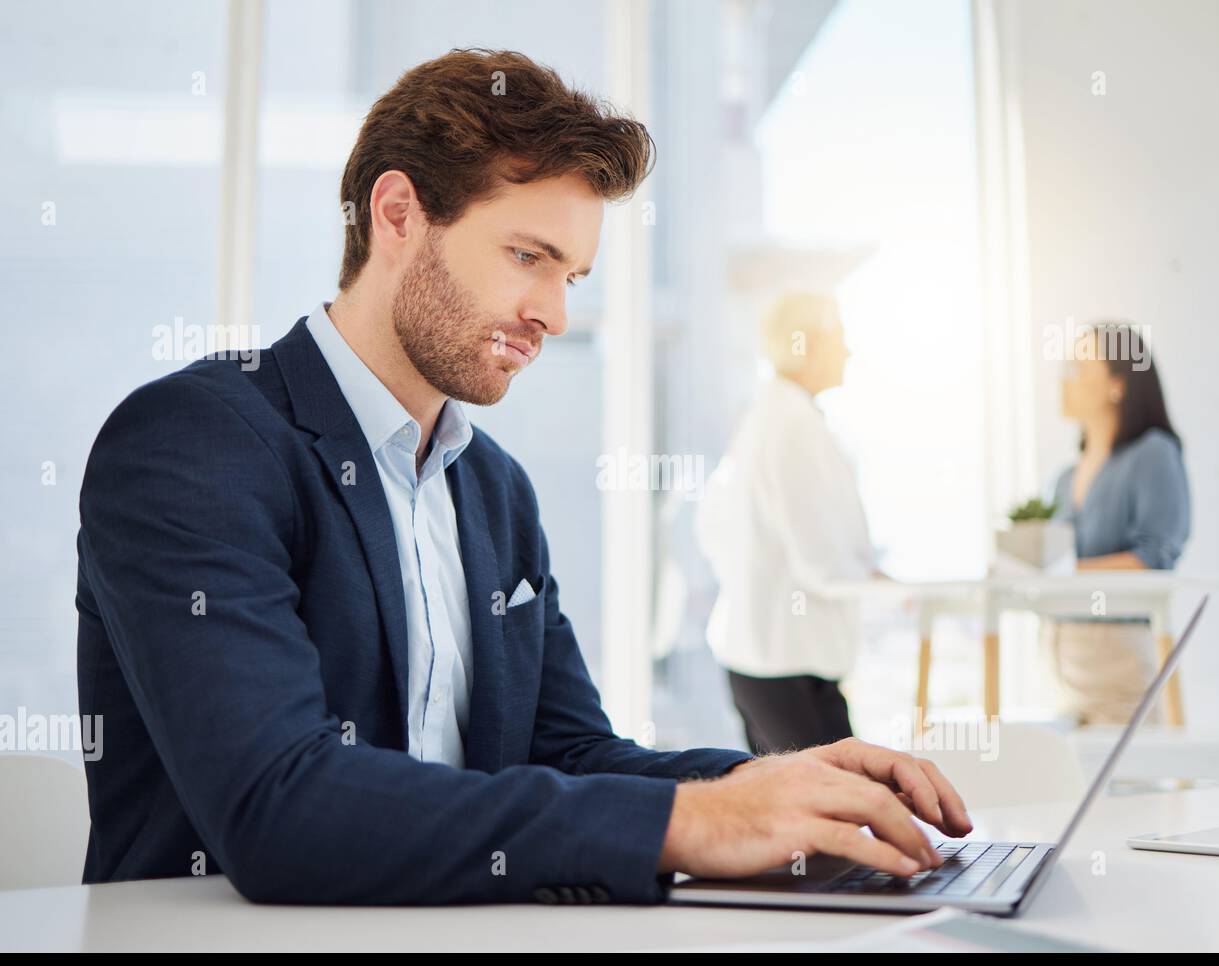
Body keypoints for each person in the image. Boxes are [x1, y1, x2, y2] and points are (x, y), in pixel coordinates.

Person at [75, 49, 970, 906]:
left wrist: (766, 782)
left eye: (572, 274)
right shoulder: (194, 441)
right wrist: (692, 820)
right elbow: (278, 806)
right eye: (528, 256)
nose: (555, 312)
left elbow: (570, 752)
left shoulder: (492, 489)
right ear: (397, 215)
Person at [696, 292, 877, 755]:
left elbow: (715, 528)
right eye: (838, 337)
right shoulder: (792, 425)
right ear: (807, 344)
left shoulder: (769, 415)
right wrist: (873, 581)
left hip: (763, 658)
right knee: (834, 807)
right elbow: (820, 555)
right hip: (786, 663)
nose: (848, 351)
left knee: (801, 813)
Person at [1042, 322, 1191, 725]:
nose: (1065, 380)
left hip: (1119, 659)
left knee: (1126, 783)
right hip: (1062, 659)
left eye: (1080, 367)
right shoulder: (1064, 478)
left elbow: (1155, 556)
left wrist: (1065, 574)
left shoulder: (1152, 454)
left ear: (1117, 384)